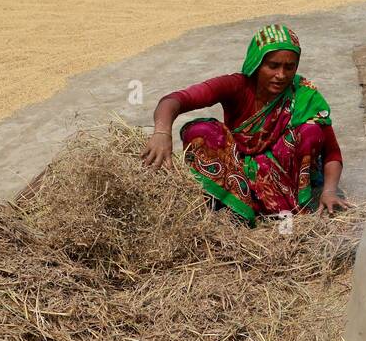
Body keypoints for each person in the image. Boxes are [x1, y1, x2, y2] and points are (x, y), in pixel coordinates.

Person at [141, 24, 349, 222]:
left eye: (289, 67)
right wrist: (162, 133)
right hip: (237, 169)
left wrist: (329, 191)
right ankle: (234, 206)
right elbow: (175, 100)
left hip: (282, 176)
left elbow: (331, 151)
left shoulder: (303, 94)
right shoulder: (237, 86)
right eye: (273, 66)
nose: (281, 75)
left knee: (312, 130)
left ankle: (292, 201)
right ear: (257, 63)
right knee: (201, 130)